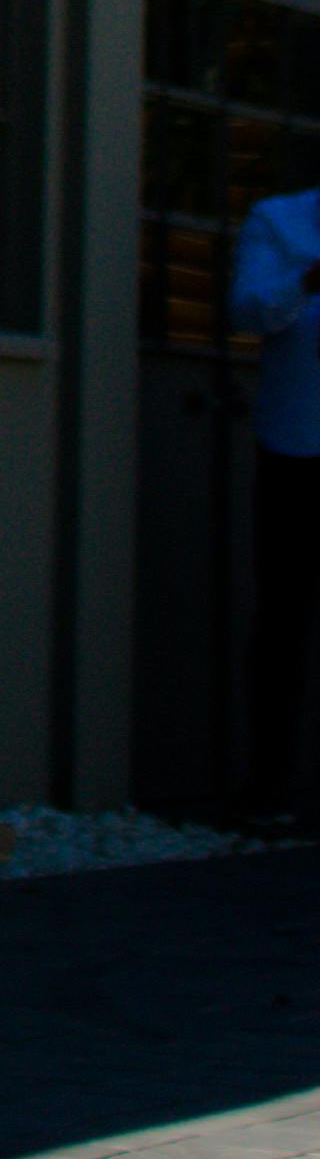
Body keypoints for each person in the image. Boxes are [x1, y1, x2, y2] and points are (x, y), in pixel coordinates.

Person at [229, 178, 320, 818]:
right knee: (285, 616)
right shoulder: (280, 220)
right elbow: (249, 311)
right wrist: (307, 281)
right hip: (299, 445)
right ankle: (270, 784)